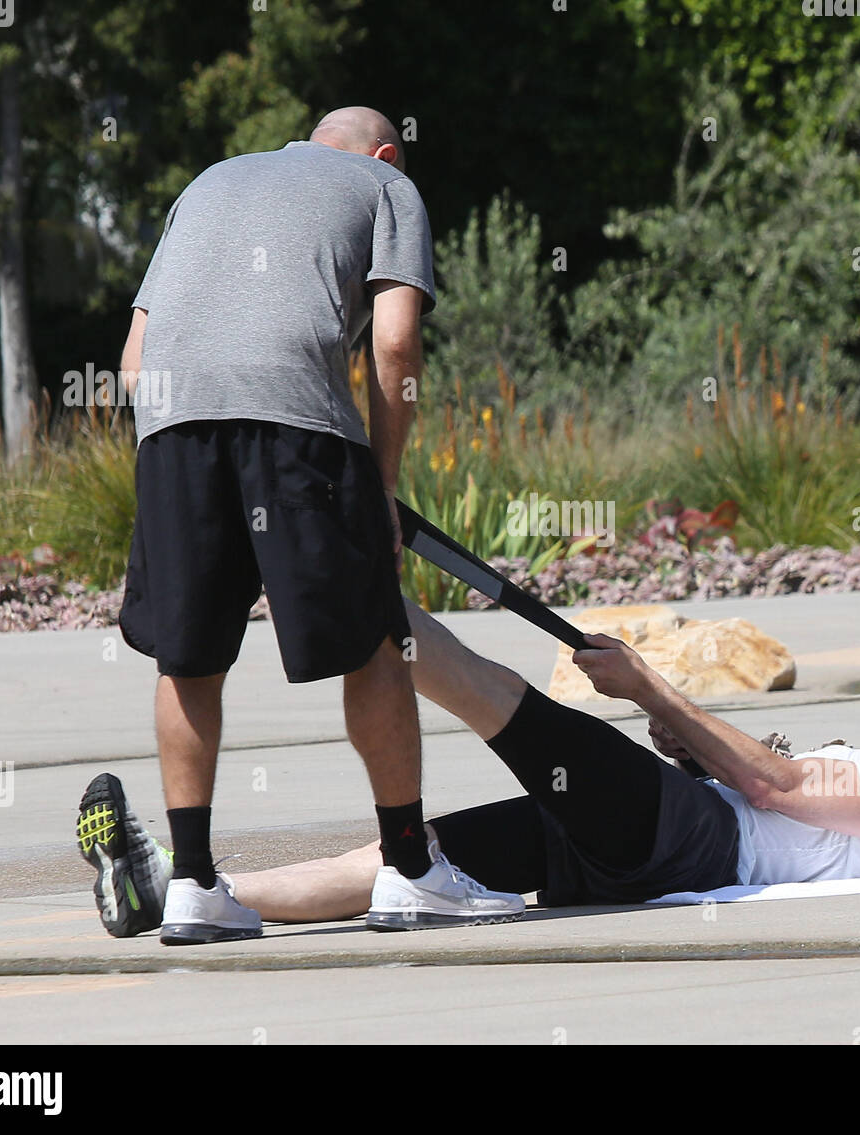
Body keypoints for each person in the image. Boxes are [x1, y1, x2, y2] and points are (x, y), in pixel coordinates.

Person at [105, 106, 522, 945]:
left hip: (171, 425)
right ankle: (409, 870)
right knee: (373, 640)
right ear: (386, 151)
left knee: (188, 657)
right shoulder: (385, 185)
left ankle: (191, 885)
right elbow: (396, 349)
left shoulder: (207, 183)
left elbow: (133, 362)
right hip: (298, 426)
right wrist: (380, 481)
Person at [78, 605, 860, 933]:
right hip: (657, 840)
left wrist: (650, 687)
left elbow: (775, 791)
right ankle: (177, 889)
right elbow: (777, 783)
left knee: (513, 707)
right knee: (408, 858)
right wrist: (692, 742)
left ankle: (355, 593)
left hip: (692, 837)